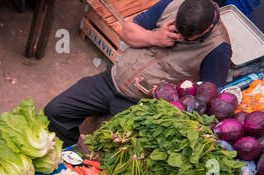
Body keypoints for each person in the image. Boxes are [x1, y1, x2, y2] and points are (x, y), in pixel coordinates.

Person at [44, 0, 231, 147]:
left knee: (117, 153)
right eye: (177, 31)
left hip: (140, 107)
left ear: (206, 29)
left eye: (187, 37)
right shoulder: (174, 4)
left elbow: (207, 101)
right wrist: (154, 37)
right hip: (111, 80)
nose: (179, 37)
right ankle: (69, 154)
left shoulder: (218, 50)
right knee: (56, 111)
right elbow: (127, 32)